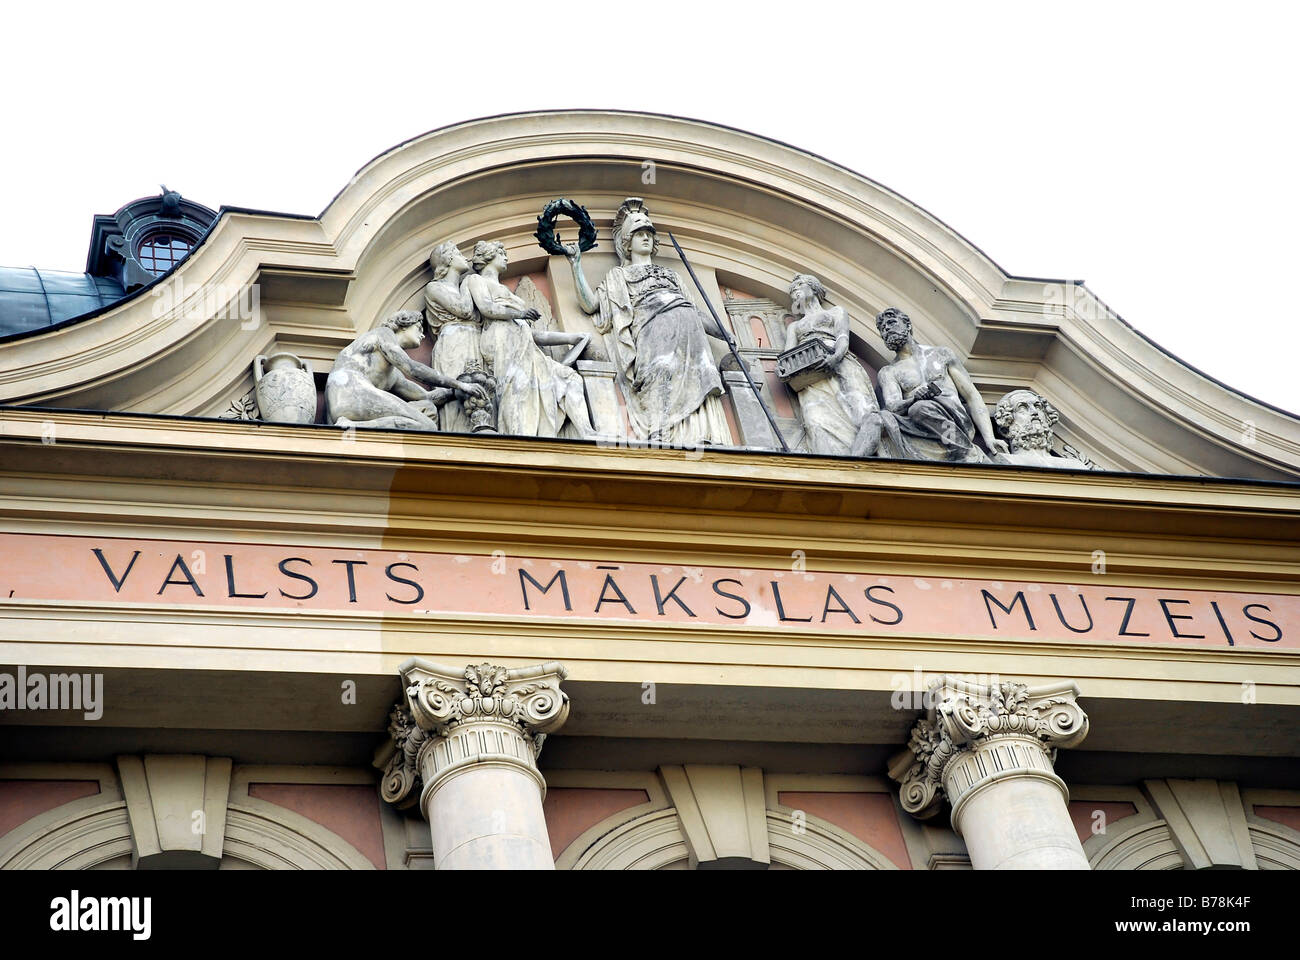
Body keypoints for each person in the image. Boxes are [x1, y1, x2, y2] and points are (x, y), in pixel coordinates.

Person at [562, 198, 731, 446]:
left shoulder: (671, 275)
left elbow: (696, 312)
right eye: (638, 233)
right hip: (651, 332)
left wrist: (725, 334)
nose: (645, 238)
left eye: (649, 234)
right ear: (627, 243)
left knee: (702, 371)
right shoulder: (619, 275)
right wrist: (575, 266)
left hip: (691, 336)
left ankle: (702, 434)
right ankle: (661, 430)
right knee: (659, 371)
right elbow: (591, 305)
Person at [464, 240, 594, 438]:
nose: (506, 256)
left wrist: (572, 337)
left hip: (523, 341)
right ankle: (517, 437)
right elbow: (486, 308)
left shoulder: (508, 297)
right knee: (515, 386)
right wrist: (520, 314)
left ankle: (587, 433)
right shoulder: (476, 280)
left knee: (569, 379)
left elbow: (531, 334)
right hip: (500, 338)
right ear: (489, 256)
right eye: (501, 252)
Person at [874, 307, 1008, 462]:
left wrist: (990, 439)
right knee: (917, 408)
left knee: (921, 407)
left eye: (891, 322)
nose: (887, 329)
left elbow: (972, 396)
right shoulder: (889, 372)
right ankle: (967, 453)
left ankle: (964, 450)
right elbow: (893, 407)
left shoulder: (941, 354)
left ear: (908, 325)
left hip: (955, 421)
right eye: (882, 329)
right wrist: (914, 399)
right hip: (918, 426)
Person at [325, 310, 486, 430]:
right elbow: (412, 368)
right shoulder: (383, 334)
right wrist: (460, 385)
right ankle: (353, 425)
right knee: (427, 427)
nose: (422, 336)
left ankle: (356, 425)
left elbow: (427, 396)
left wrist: (454, 393)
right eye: (418, 328)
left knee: (427, 410)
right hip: (349, 393)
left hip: (351, 400)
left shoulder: (392, 374)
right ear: (403, 326)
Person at [784, 273, 882, 456]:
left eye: (799, 286)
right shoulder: (795, 327)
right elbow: (787, 355)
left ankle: (858, 458)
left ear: (813, 288)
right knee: (815, 421)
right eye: (792, 291)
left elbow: (842, 337)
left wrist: (836, 357)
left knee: (864, 412)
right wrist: (783, 369)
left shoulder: (835, 312)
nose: (795, 292)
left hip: (841, 365)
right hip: (811, 375)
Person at [424, 241, 480, 433]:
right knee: (456, 400)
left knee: (480, 391)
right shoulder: (435, 287)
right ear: (447, 259)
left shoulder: (462, 288)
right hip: (453, 343)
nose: (464, 257)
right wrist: (469, 284)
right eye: (458, 253)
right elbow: (463, 310)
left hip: (474, 342)